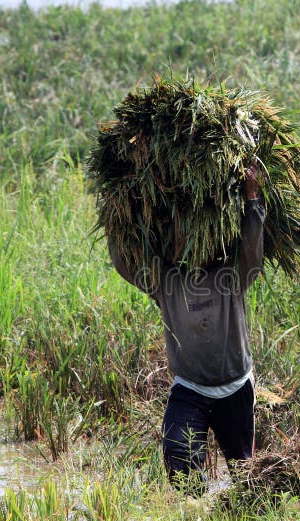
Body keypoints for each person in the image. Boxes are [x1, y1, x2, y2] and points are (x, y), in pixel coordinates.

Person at [108, 164, 265, 494]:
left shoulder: (230, 275)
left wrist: (252, 199)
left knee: (246, 477)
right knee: (180, 463)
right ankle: (197, 515)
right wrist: (116, 213)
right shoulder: (167, 281)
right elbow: (125, 263)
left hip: (235, 387)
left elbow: (253, 249)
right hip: (190, 389)